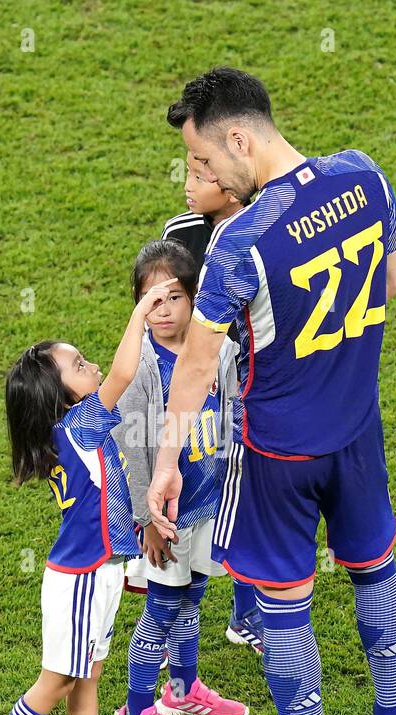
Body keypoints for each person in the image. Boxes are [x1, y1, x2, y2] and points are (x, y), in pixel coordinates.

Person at [146, 68, 396, 715]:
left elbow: (196, 371)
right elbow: (390, 284)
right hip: (358, 427)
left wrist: (166, 462)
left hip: (277, 452)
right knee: (375, 566)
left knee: (285, 605)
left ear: (240, 138)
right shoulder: (366, 176)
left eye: (202, 161)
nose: (198, 175)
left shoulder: (240, 242)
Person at [0, 276, 180, 715]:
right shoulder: (79, 426)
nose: (93, 367)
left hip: (101, 572)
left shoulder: (81, 429)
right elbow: (126, 372)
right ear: (63, 397)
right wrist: (144, 311)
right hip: (82, 577)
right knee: (59, 676)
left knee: (89, 671)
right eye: (80, 365)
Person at [108, 240, 248, 715]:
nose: (161, 310)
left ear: (193, 299)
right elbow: (131, 453)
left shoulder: (222, 351)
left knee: (191, 597)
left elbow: (234, 418)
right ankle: (134, 713)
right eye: (149, 300)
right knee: (163, 606)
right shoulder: (139, 369)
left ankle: (182, 692)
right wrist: (146, 518)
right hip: (164, 516)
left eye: (171, 297)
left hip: (208, 503)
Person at [160, 156, 263, 655]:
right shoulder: (181, 233)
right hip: (193, 384)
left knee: (248, 497)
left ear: (233, 187)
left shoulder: (265, 226)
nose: (187, 186)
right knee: (191, 497)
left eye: (199, 177)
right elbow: (165, 307)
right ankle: (169, 622)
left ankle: (247, 616)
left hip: (249, 380)